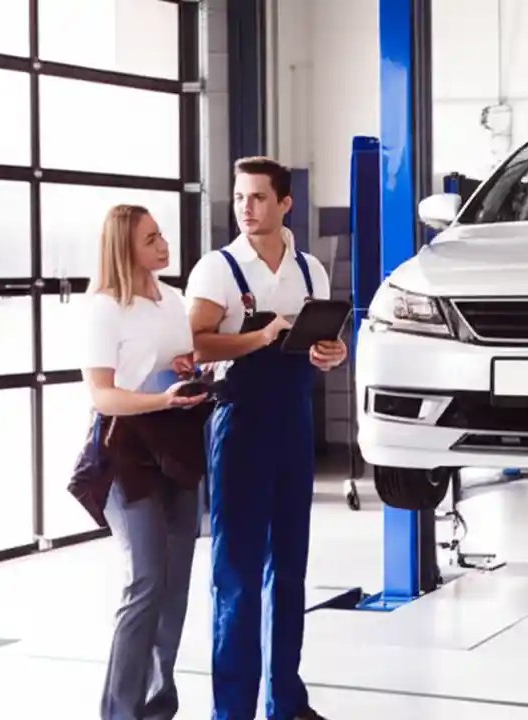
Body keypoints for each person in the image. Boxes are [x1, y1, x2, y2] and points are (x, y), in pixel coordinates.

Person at [185, 157, 347, 720]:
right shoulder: (217, 269)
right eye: (239, 198)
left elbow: (323, 346)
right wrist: (260, 338)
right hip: (241, 425)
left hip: (293, 422)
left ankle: (286, 702)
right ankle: (231, 712)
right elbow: (197, 345)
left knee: (291, 568)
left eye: (257, 198)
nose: (246, 208)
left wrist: (333, 353)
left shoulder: (310, 271)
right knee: (236, 574)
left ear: (285, 204)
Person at [81, 204, 211, 720]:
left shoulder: (174, 300)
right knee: (145, 583)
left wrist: (185, 366)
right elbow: (103, 396)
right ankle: (119, 712)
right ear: (125, 248)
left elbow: (175, 363)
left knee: (174, 586)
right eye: (151, 239)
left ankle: (159, 707)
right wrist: (161, 400)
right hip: (126, 453)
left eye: (162, 236)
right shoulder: (105, 307)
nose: (163, 246)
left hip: (175, 448)